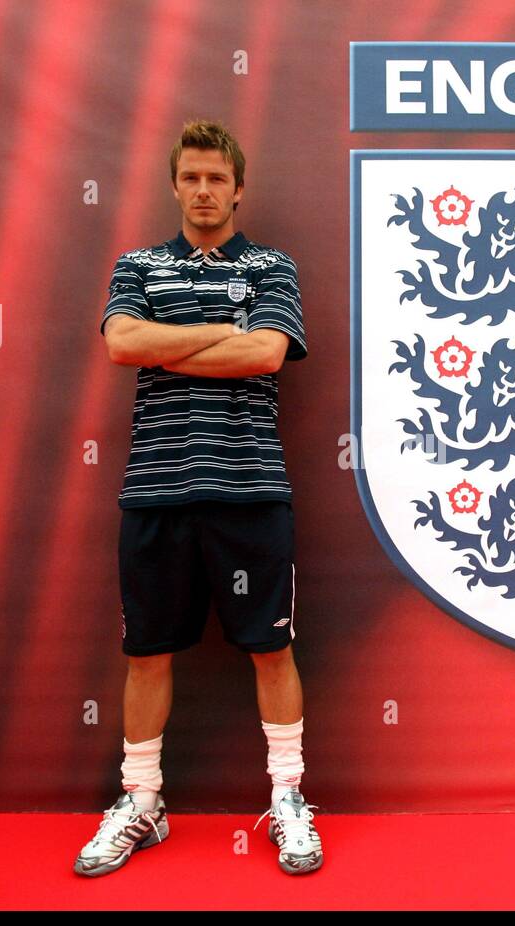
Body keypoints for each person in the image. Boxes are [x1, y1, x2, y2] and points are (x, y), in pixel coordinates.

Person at [74, 119, 321, 877]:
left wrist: (171, 336)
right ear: (175, 185)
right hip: (156, 490)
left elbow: (267, 353)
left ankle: (287, 798)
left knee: (271, 648)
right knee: (146, 653)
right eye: (192, 178)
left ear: (239, 188)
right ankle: (143, 802)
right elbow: (122, 344)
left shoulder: (274, 267)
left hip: (251, 489)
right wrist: (223, 331)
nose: (205, 190)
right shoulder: (138, 264)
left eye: (218, 178)